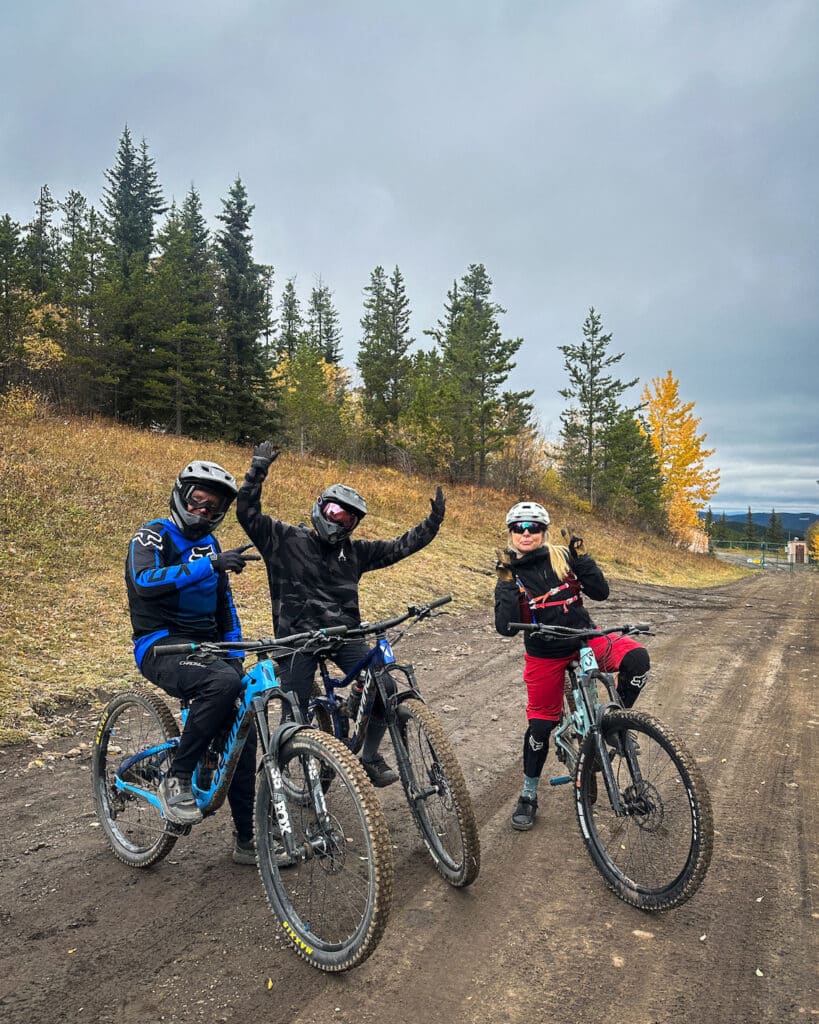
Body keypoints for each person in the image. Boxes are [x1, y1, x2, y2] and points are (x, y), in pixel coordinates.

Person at [236, 440, 446, 787]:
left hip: (344, 636)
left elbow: (399, 547)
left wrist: (432, 523)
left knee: (384, 686)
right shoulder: (283, 539)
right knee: (294, 715)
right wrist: (257, 470)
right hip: (296, 641)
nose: (339, 521)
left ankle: (369, 756)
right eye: (334, 512)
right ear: (321, 507)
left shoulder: (356, 552)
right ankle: (279, 788)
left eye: (348, 518)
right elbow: (247, 513)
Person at [125, 459, 261, 865]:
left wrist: (235, 655)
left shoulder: (213, 545)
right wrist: (208, 565)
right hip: (161, 644)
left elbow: (225, 607)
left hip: (207, 648)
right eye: (196, 501)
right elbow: (145, 582)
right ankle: (178, 776)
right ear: (180, 496)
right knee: (221, 684)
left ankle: (247, 838)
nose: (202, 511)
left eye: (212, 507)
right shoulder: (151, 535)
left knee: (244, 723)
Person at [494, 501, 650, 831]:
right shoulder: (511, 569)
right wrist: (506, 582)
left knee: (637, 659)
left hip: (584, 639)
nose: (526, 533)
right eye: (519, 528)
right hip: (545, 654)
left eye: (533, 527)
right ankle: (528, 794)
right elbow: (505, 628)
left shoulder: (562, 558)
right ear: (510, 533)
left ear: (544, 531)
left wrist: (583, 559)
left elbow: (601, 593)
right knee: (541, 726)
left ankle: (614, 725)